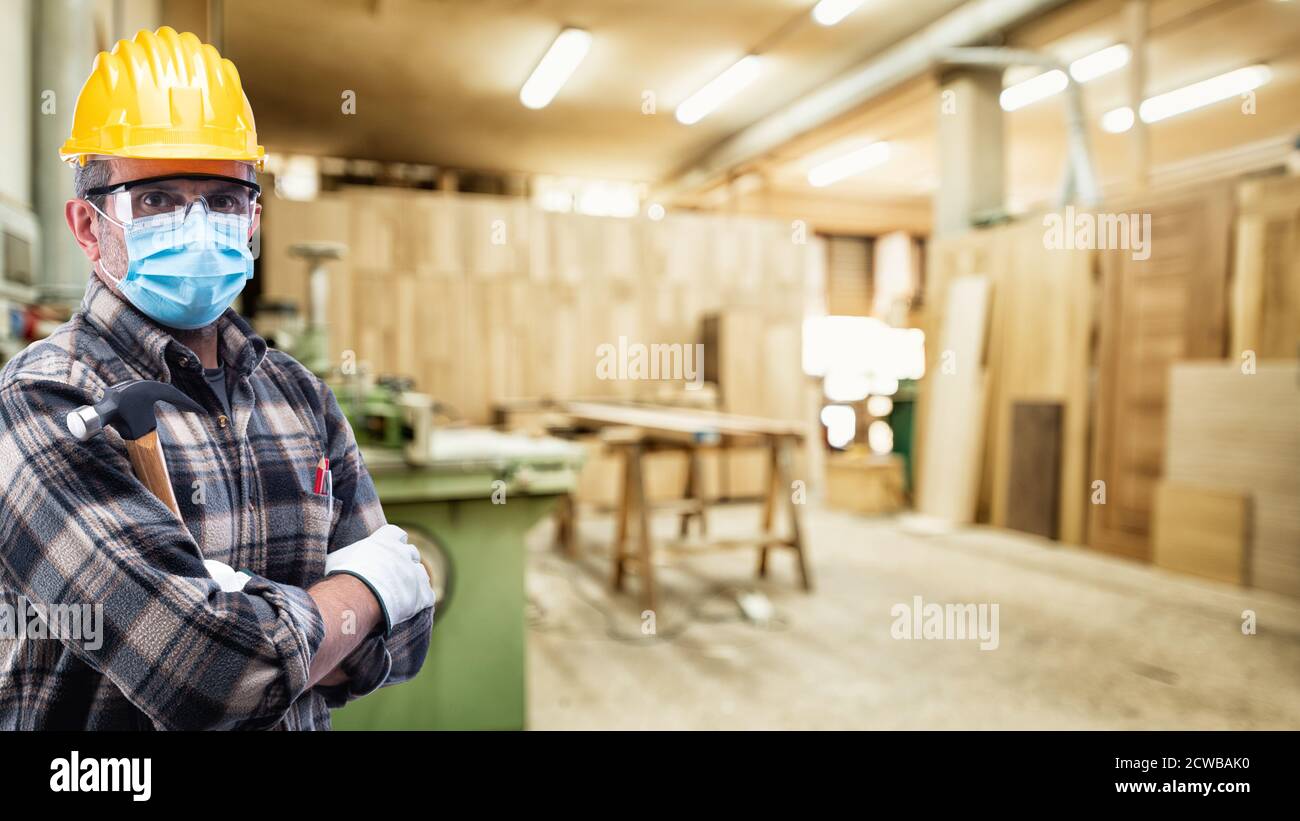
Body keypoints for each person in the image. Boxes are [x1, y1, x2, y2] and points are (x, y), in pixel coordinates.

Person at [0, 26, 434, 730]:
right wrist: (368, 589)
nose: (199, 226)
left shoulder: (300, 397)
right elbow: (208, 677)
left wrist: (252, 618)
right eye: (158, 199)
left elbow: (409, 636)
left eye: (226, 200)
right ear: (87, 225)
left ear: (253, 219)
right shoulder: (43, 401)